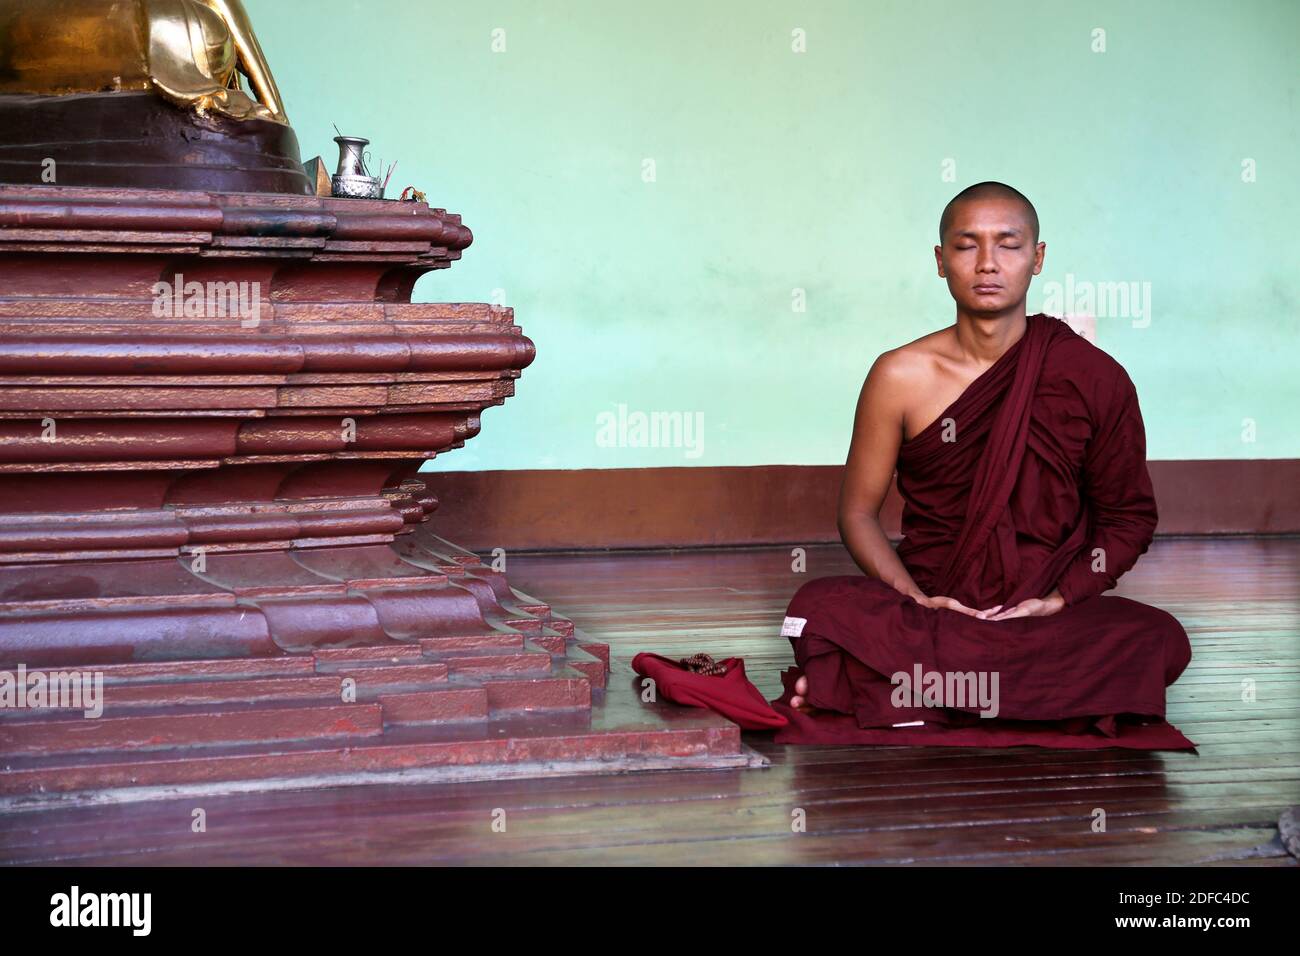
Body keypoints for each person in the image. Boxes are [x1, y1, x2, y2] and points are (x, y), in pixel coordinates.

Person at [777, 182, 1193, 749]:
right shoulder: (900, 375)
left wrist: (1059, 598)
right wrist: (913, 598)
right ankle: (1030, 699)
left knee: (1158, 637)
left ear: (1038, 258)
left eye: (1009, 245)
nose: (988, 264)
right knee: (818, 607)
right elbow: (857, 512)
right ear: (941, 261)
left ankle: (885, 688)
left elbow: (1127, 518)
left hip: (1042, 615)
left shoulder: (1093, 376)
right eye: (967, 245)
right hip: (934, 607)